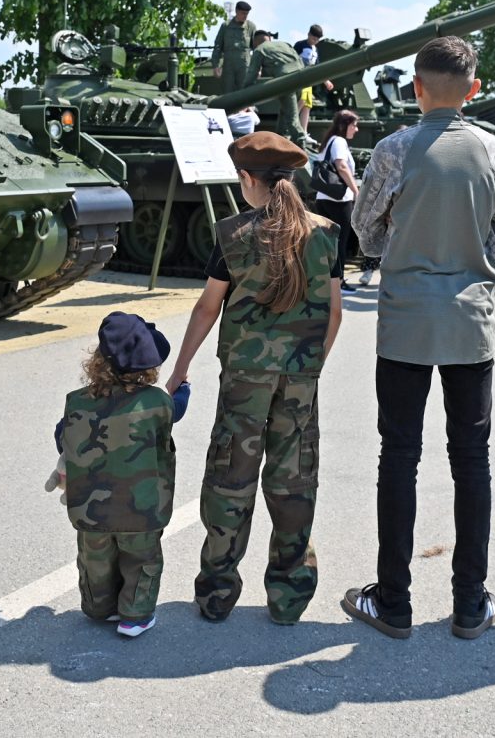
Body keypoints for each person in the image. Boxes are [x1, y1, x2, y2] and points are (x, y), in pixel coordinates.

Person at [341, 35, 495, 641]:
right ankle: (470, 602)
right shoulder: (491, 148)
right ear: (473, 90)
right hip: (471, 322)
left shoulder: (392, 149)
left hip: (406, 321)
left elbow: (364, 231)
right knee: (473, 462)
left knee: (400, 457)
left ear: (416, 88)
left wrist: (405, 245)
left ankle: (393, 602)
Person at [165, 131, 343, 625]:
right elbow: (335, 314)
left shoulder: (233, 234)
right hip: (300, 379)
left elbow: (207, 308)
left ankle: (218, 592)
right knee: (293, 481)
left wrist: (179, 370)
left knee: (230, 480)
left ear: (247, 179)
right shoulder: (327, 232)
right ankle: (288, 598)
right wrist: (310, 365)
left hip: (244, 380)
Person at [57, 312, 185, 638]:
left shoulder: (77, 402)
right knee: (142, 561)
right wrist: (182, 391)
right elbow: (177, 408)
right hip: (140, 509)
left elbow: (62, 436)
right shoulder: (158, 403)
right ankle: (135, 616)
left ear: (98, 361)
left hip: (90, 509)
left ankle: (99, 608)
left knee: (95, 561)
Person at [314, 110, 361, 293]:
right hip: (339, 200)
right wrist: (356, 190)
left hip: (323, 197)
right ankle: (339, 282)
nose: (356, 130)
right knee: (340, 241)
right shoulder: (340, 141)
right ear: (344, 125)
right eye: (354, 125)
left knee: (327, 242)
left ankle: (327, 281)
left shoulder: (329, 141)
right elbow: (341, 165)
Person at [244, 29, 310, 149]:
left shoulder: (260, 50)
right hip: (302, 79)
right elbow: (299, 60)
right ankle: (280, 139)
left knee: (291, 117)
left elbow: (251, 76)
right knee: (285, 112)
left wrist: (243, 94)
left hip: (286, 82)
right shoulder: (285, 44)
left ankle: (301, 142)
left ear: (255, 43)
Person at [211, 1, 256, 94]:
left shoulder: (250, 27)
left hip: (244, 67)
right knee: (228, 94)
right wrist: (216, 66)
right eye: (243, 13)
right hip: (228, 67)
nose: (245, 16)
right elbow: (218, 46)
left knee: (245, 93)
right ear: (236, 11)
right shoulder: (225, 26)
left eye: (247, 14)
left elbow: (256, 48)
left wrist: (258, 68)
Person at [294, 25, 325, 134]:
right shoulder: (300, 45)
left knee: (307, 104)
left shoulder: (315, 49)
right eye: (313, 39)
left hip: (309, 80)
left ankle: (304, 131)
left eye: (317, 40)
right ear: (309, 35)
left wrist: (325, 80)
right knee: (303, 100)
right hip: (300, 78)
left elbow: (317, 66)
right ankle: (292, 120)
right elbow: (292, 59)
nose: (315, 41)